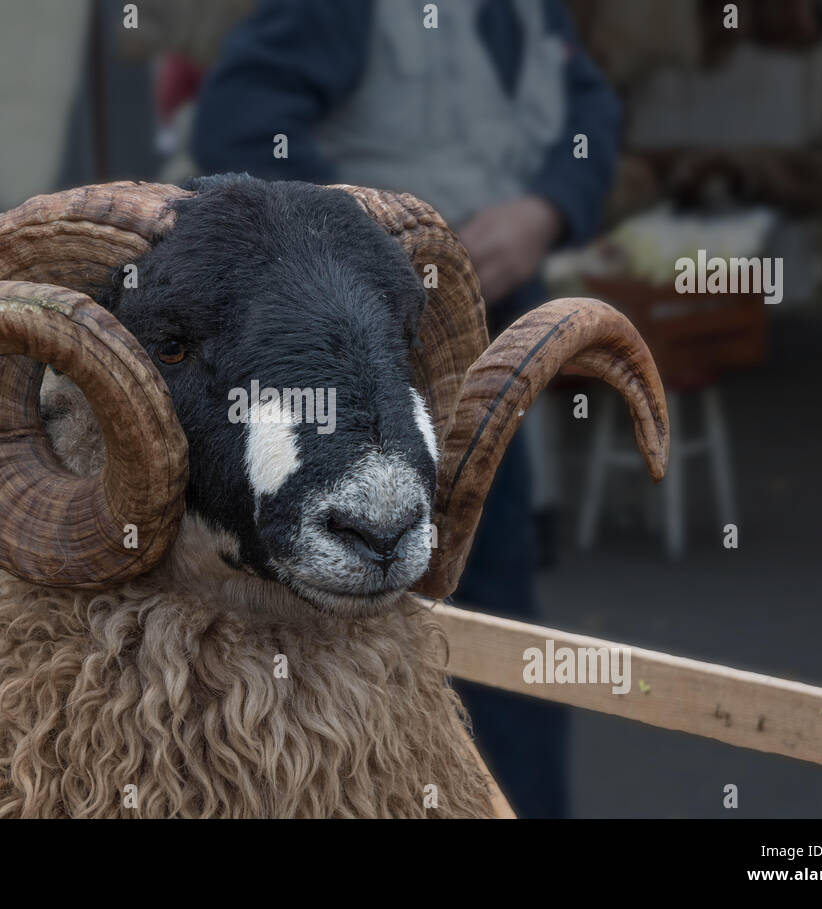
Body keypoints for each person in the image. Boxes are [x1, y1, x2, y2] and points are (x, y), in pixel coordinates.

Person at [192, 0, 622, 817]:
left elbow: (587, 107)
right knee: (392, 614)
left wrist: (548, 208)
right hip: (375, 357)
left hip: (488, 327)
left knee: (495, 600)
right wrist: (364, 267)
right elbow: (241, 120)